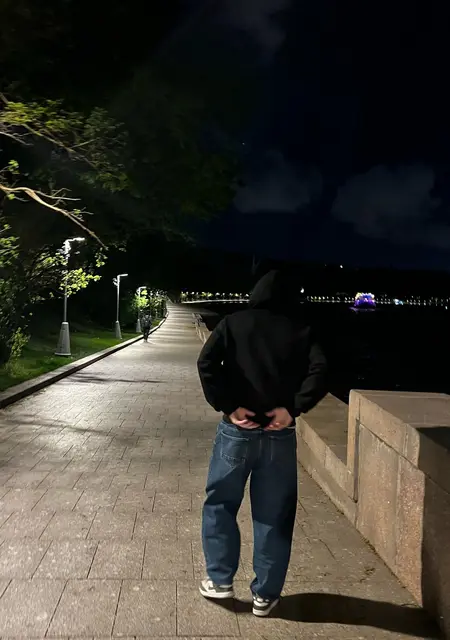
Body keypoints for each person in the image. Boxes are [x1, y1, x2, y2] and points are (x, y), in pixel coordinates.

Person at [197, 270, 327, 617]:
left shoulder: (233, 323)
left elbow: (206, 362)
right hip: (278, 434)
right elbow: (321, 370)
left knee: (220, 504)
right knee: (274, 514)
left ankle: (220, 581)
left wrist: (229, 405)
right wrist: (292, 408)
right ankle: (266, 595)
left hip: (236, 430)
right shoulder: (302, 329)